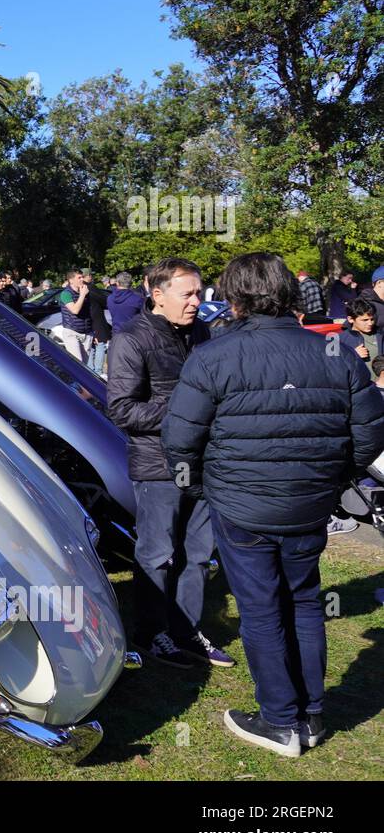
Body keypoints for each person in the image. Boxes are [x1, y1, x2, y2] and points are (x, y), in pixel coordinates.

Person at [162, 252, 384, 757]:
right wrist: (328, 479)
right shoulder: (332, 352)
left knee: (268, 609)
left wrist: (212, 487)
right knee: (302, 602)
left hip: (254, 506)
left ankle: (284, 721)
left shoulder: (222, 355)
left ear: (235, 298)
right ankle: (304, 715)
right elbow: (369, 433)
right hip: (282, 502)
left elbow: (180, 442)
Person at [107, 257, 233, 671]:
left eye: (199, 292)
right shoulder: (130, 339)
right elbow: (123, 410)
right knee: (158, 553)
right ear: (156, 294)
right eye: (188, 294)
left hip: (204, 462)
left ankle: (186, 630)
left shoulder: (203, 332)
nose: (197, 301)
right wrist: (184, 409)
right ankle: (152, 632)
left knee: (198, 553)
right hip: (158, 465)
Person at [52, 268, 94, 365]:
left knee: (85, 366)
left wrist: (94, 331)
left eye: (82, 277)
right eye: (79, 278)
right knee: (78, 363)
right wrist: (82, 295)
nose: (82, 280)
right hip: (72, 332)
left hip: (87, 333)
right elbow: (75, 310)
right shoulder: (65, 294)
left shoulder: (86, 292)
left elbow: (91, 312)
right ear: (71, 280)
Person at [341, 297, 380, 363]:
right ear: (350, 319)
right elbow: (333, 367)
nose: (370, 323)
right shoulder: (340, 340)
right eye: (365, 320)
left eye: (372, 319)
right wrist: (353, 355)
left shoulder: (380, 334)